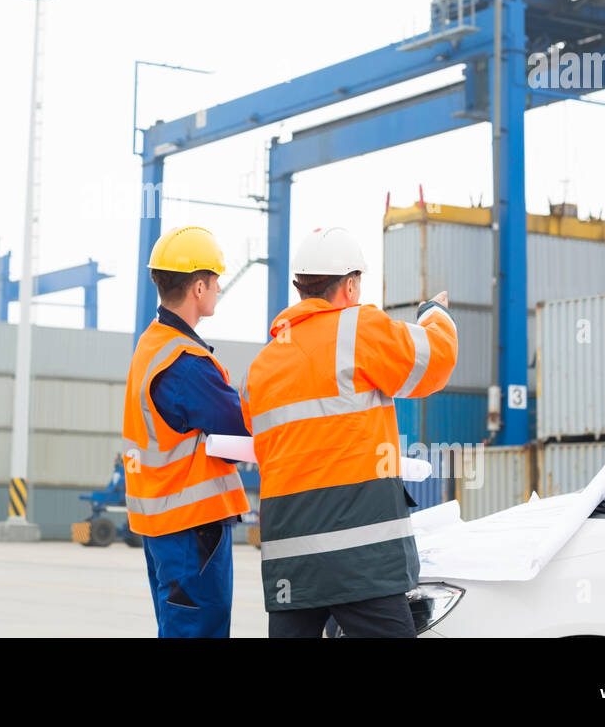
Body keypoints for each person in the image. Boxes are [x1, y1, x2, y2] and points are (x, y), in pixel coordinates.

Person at [242, 226, 457, 638]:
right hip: (363, 563)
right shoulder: (358, 329)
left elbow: (268, 435)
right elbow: (437, 361)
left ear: (299, 288)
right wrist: (435, 313)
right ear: (351, 285)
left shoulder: (263, 364)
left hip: (292, 563)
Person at [122, 225, 252, 638]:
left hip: (163, 525)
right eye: (215, 280)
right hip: (193, 528)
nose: (217, 288)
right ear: (199, 286)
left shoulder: (152, 345)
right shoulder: (187, 362)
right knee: (200, 630)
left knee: (179, 628)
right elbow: (240, 434)